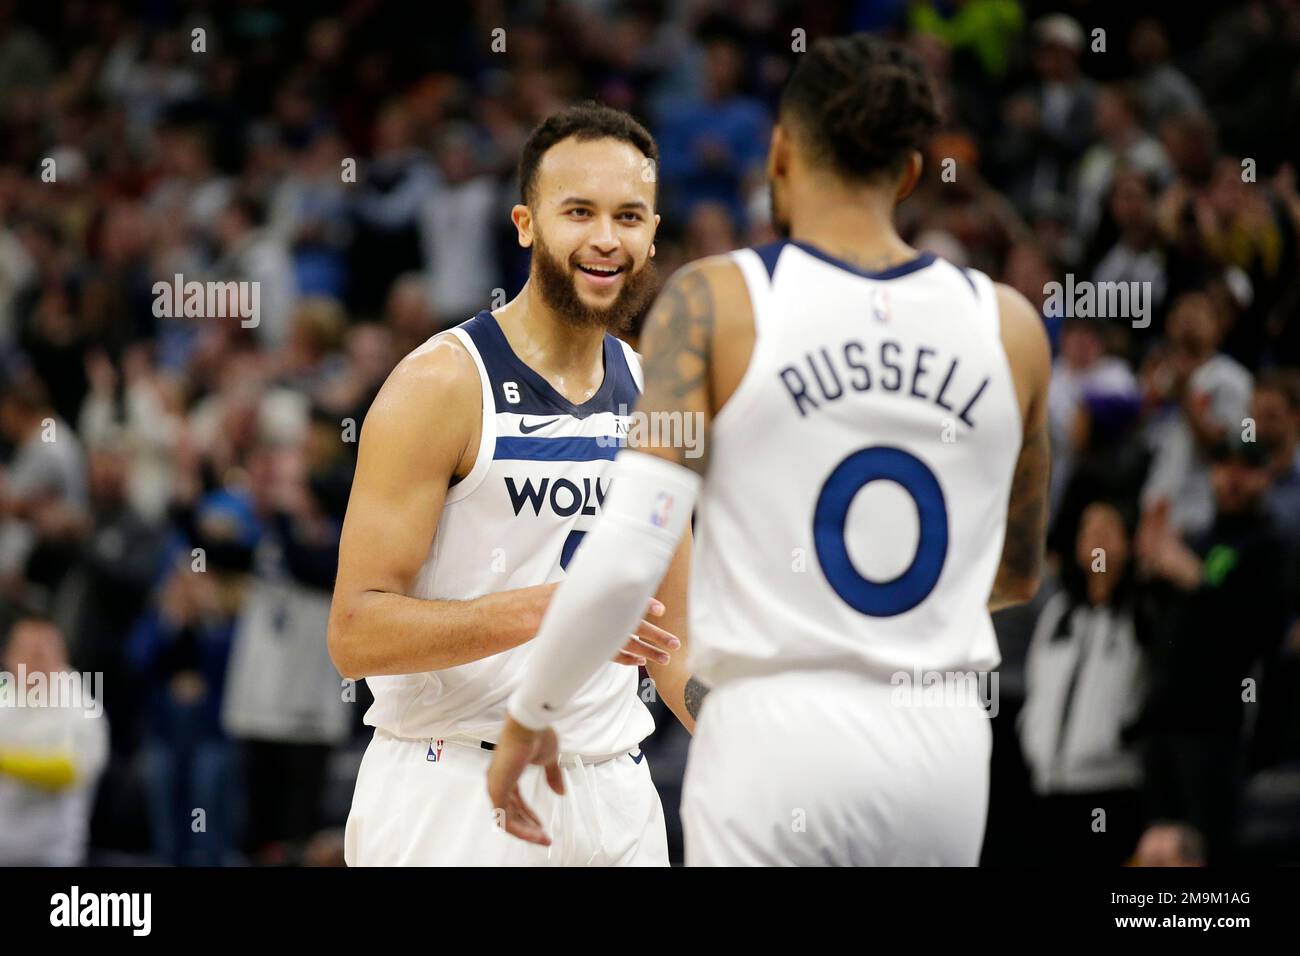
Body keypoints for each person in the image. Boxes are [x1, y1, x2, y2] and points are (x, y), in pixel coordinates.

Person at [488, 34, 1051, 866]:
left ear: (780, 154)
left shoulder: (717, 302)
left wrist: (530, 715)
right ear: (907, 174)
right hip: (945, 742)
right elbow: (1016, 574)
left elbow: (627, 554)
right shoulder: (1008, 325)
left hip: (777, 734)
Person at [329, 103, 704, 866]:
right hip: (452, 783)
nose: (607, 238)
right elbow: (355, 634)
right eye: (579, 212)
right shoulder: (439, 384)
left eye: (629, 216)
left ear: (654, 234)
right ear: (526, 224)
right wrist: (551, 612)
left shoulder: (656, 395)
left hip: (616, 792)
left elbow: (676, 647)